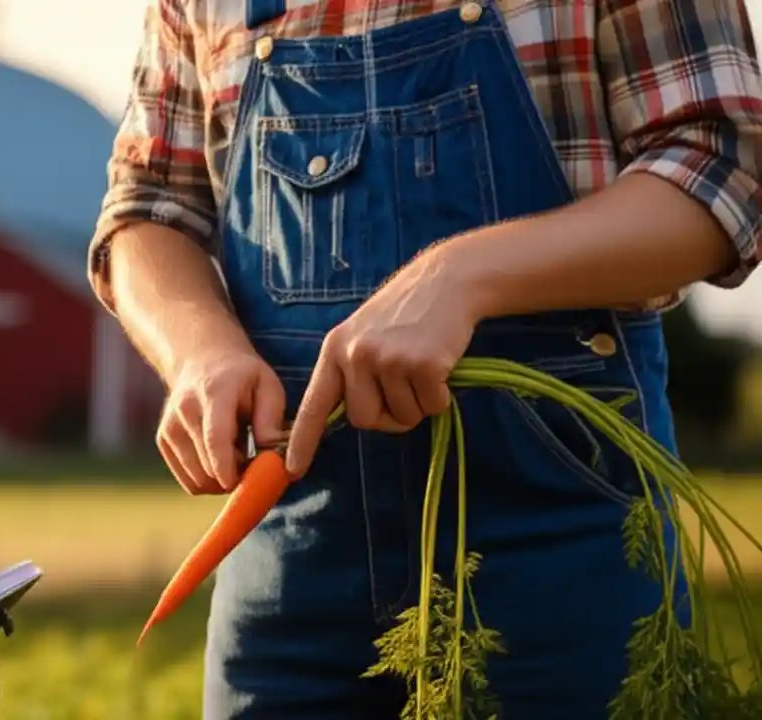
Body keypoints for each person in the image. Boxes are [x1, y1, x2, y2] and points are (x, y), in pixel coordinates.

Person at [91, 0, 762, 717]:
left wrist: (461, 278)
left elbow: (724, 165)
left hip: (562, 547)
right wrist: (199, 348)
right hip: (291, 565)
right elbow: (148, 206)